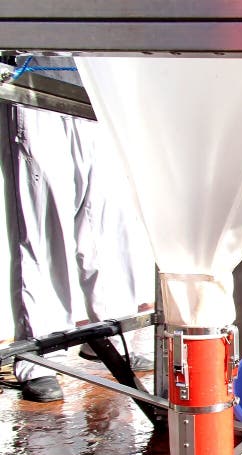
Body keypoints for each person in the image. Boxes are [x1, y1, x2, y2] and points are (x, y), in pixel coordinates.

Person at [1, 96, 154, 402]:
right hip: (35, 87)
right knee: (43, 227)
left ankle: (105, 341)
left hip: (94, 91)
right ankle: (38, 359)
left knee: (106, 224)